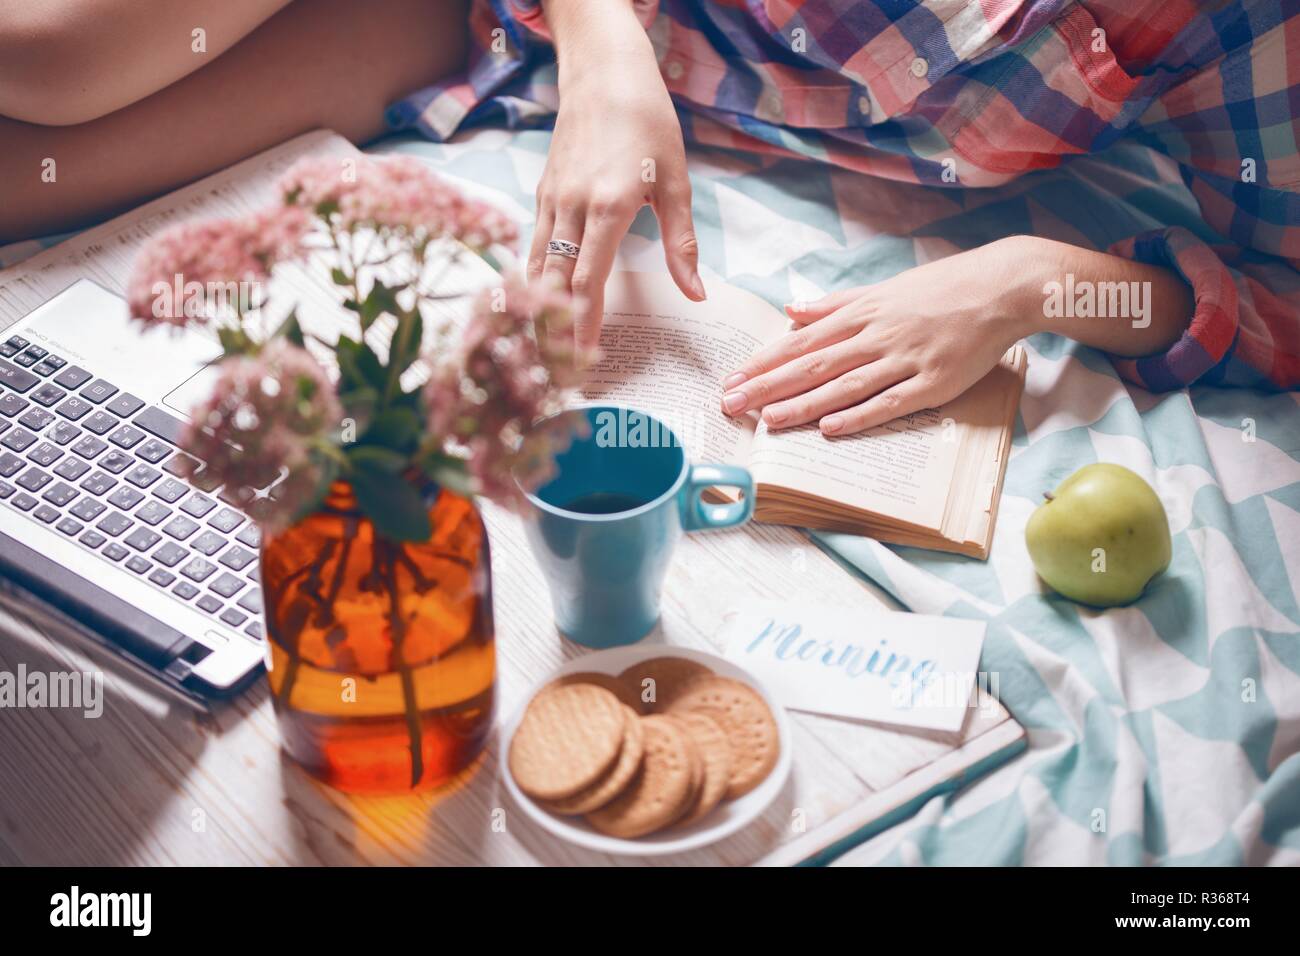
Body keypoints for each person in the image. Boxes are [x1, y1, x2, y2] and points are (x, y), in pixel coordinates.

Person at [4, 1, 1296, 437]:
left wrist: (1036, 282)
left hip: (474, 32)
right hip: (573, 34)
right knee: (48, 60)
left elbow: (1281, 301)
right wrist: (609, 55)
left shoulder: (1244, 24)